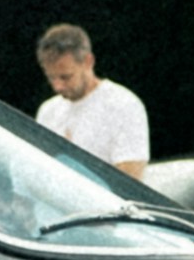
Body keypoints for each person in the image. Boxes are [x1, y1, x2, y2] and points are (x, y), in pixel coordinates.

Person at [32, 22, 149, 179]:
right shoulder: (48, 111)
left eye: (65, 77)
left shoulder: (124, 105)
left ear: (88, 62)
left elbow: (130, 181)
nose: (57, 86)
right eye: (51, 77)